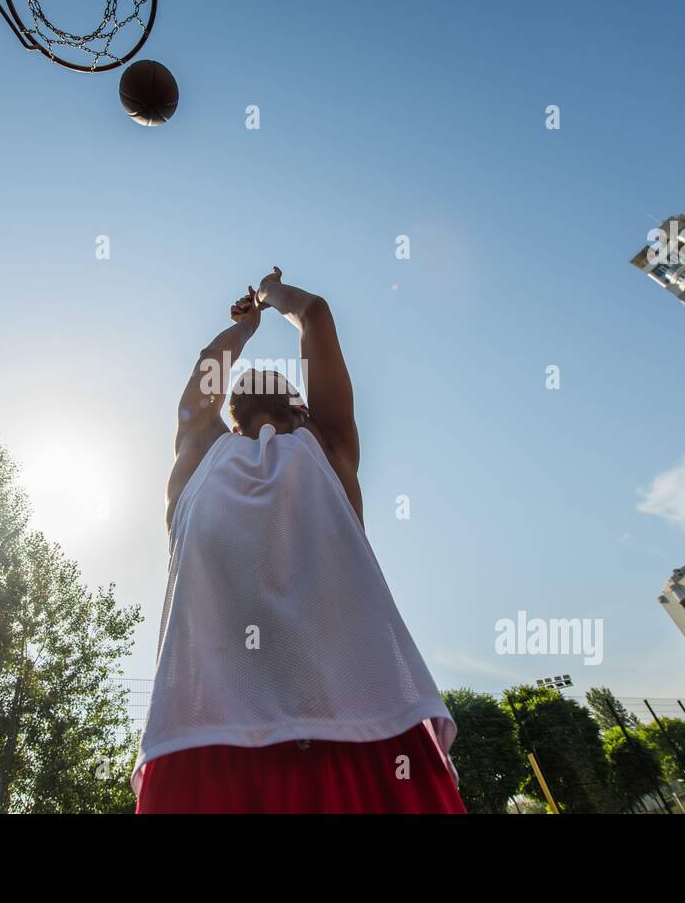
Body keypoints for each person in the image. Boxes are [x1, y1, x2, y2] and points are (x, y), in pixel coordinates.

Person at [133, 267, 465, 813]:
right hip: (346, 736)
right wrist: (269, 298)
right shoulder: (323, 449)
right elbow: (313, 313)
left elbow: (211, 367)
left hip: (238, 745)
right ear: (299, 403)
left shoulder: (208, 456)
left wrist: (247, 323)